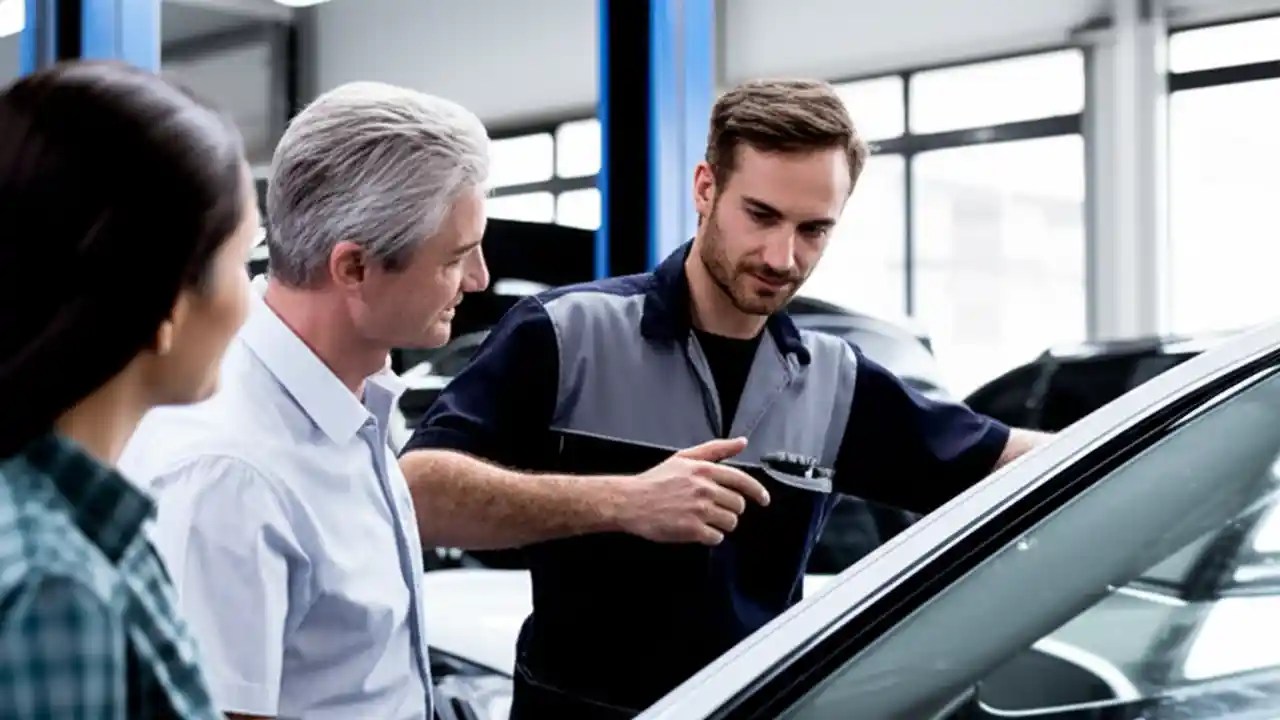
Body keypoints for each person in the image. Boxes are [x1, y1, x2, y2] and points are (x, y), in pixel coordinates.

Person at [400, 78, 1050, 719]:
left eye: (814, 230)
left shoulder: (835, 382)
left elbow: (1013, 462)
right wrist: (622, 503)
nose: (782, 256)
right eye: (761, 216)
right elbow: (418, 497)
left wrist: (1151, 446)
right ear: (705, 189)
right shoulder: (569, 336)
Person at [119, 80, 769, 720]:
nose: (480, 278)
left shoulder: (356, 411)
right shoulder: (233, 476)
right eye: (457, 256)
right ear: (354, 269)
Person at [0, 61, 259, 718]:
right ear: (166, 302)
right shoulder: (53, 589)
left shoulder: (74, 522)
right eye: (243, 262)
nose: (250, 300)